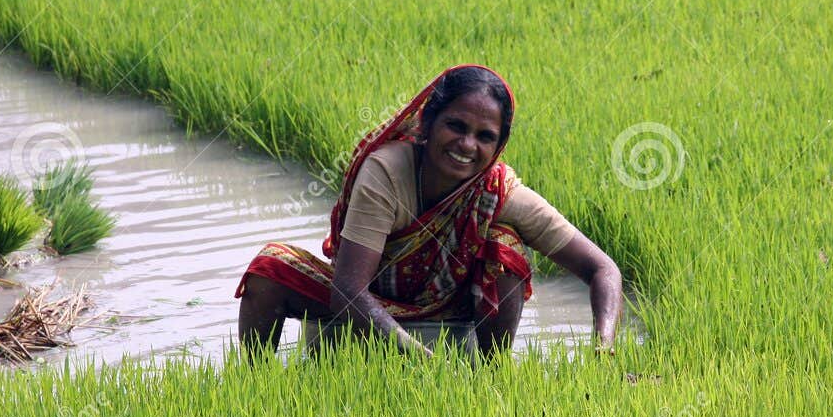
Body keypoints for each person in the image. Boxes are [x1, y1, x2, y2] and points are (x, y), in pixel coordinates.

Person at [236, 64, 622, 358]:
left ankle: (493, 373)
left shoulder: (496, 189)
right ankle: (255, 386)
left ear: (498, 146)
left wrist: (603, 349)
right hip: (368, 301)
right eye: (456, 126)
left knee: (506, 247)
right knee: (270, 268)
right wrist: (424, 362)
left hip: (448, 309)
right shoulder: (387, 172)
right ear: (427, 124)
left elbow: (602, 269)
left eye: (485, 136)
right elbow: (349, 292)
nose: (467, 145)